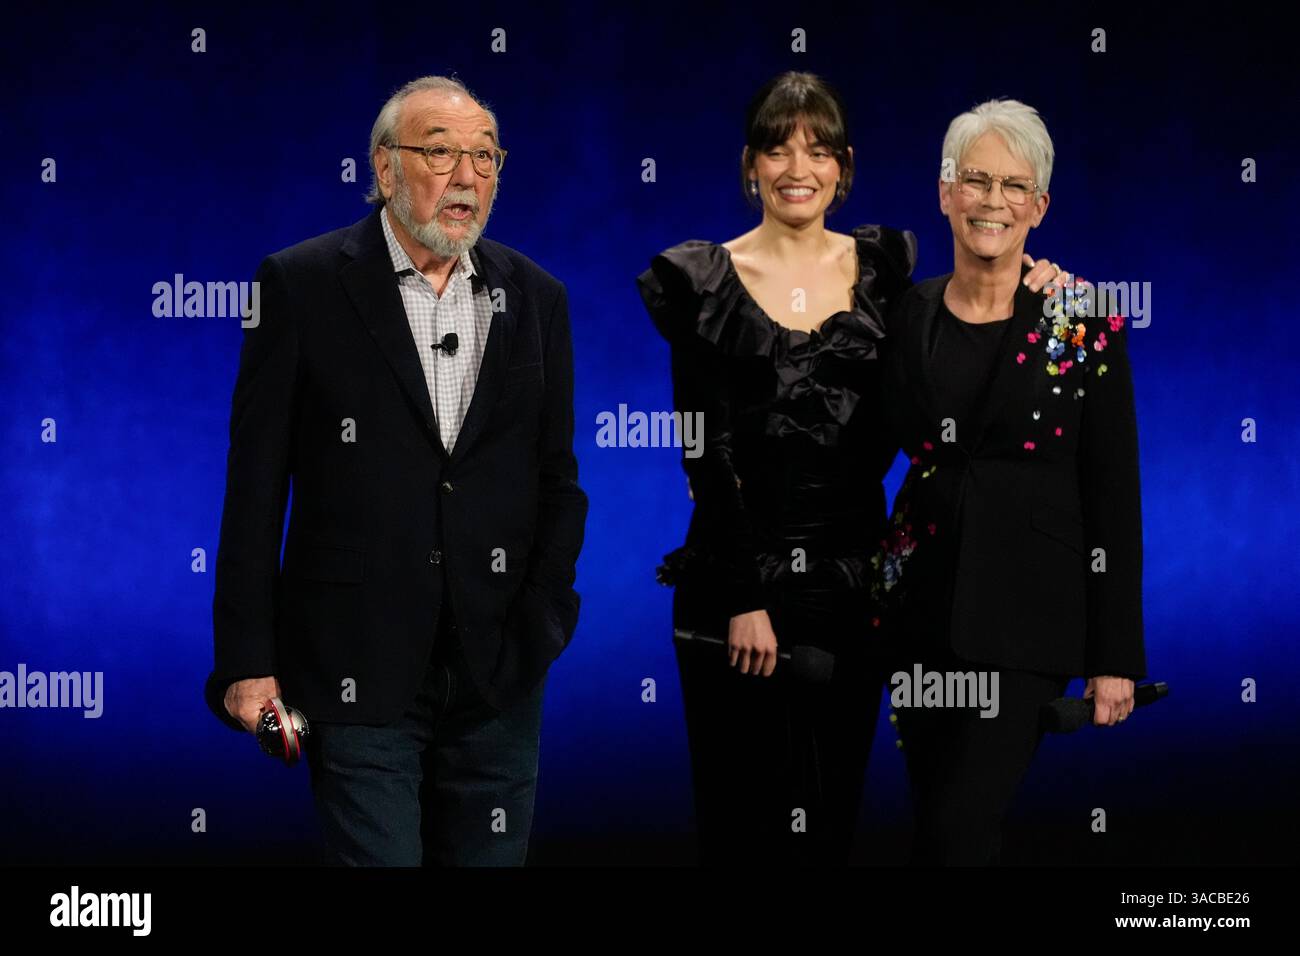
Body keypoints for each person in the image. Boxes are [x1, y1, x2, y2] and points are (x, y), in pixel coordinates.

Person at [637, 72, 1063, 865]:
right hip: (736, 584)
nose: (799, 166)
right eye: (778, 147)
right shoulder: (699, 281)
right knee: (741, 824)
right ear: (750, 166)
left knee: (829, 821)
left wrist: (1046, 288)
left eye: (819, 149)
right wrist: (743, 597)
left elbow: (967, 335)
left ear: (844, 167)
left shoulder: (884, 273)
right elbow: (703, 451)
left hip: (854, 585)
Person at [203, 75, 588, 866]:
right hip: (355, 662)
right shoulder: (301, 283)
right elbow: (254, 488)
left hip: (497, 672)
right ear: (384, 170)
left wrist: (542, 621)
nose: (468, 177)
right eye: (440, 152)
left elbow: (558, 478)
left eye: (486, 157)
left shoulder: (536, 297)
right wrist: (247, 662)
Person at [874, 98, 1145, 865]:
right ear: (945, 191)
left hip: (1027, 621)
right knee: (936, 826)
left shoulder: (1083, 319)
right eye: (977, 180)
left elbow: (1114, 492)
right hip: (917, 617)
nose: (993, 201)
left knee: (961, 827)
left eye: (1014, 186)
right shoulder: (909, 312)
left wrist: (1114, 653)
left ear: (1040, 205)